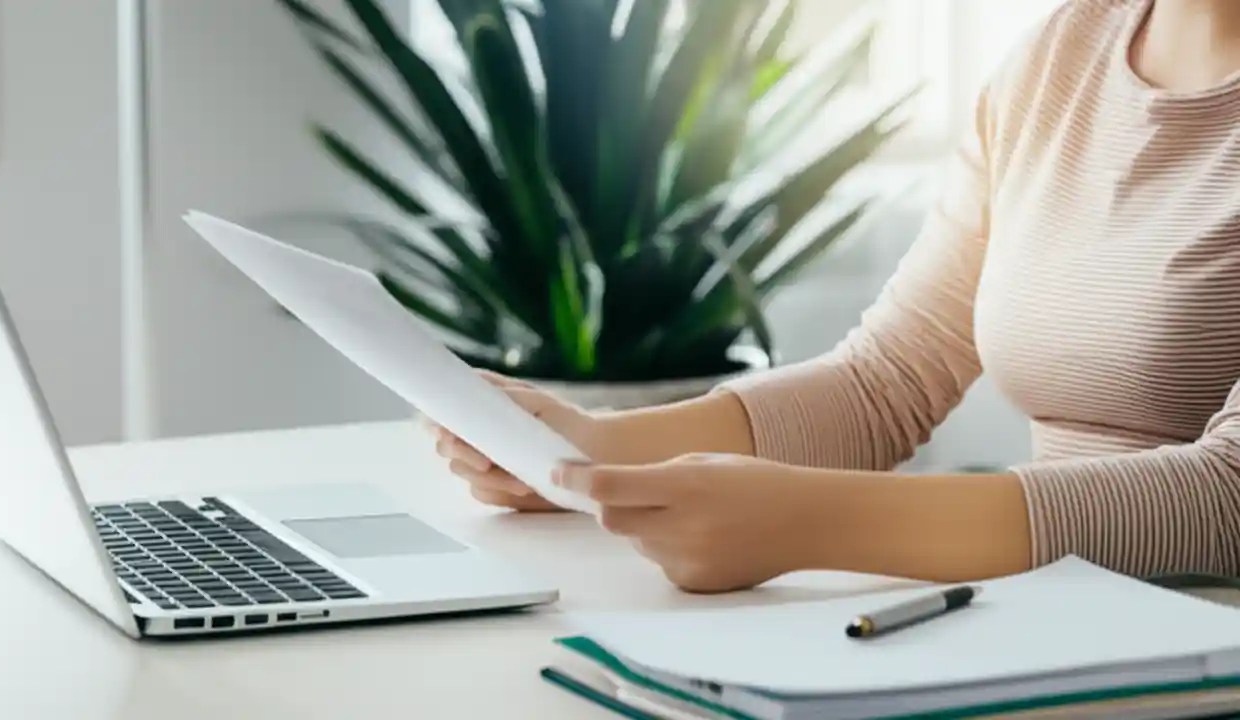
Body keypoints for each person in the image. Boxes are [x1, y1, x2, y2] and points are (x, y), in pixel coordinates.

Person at [429, 0, 1240, 593]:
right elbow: (884, 381)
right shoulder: (1055, 61)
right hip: (1061, 627)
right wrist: (594, 454)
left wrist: (810, 521)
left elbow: (1227, 498)